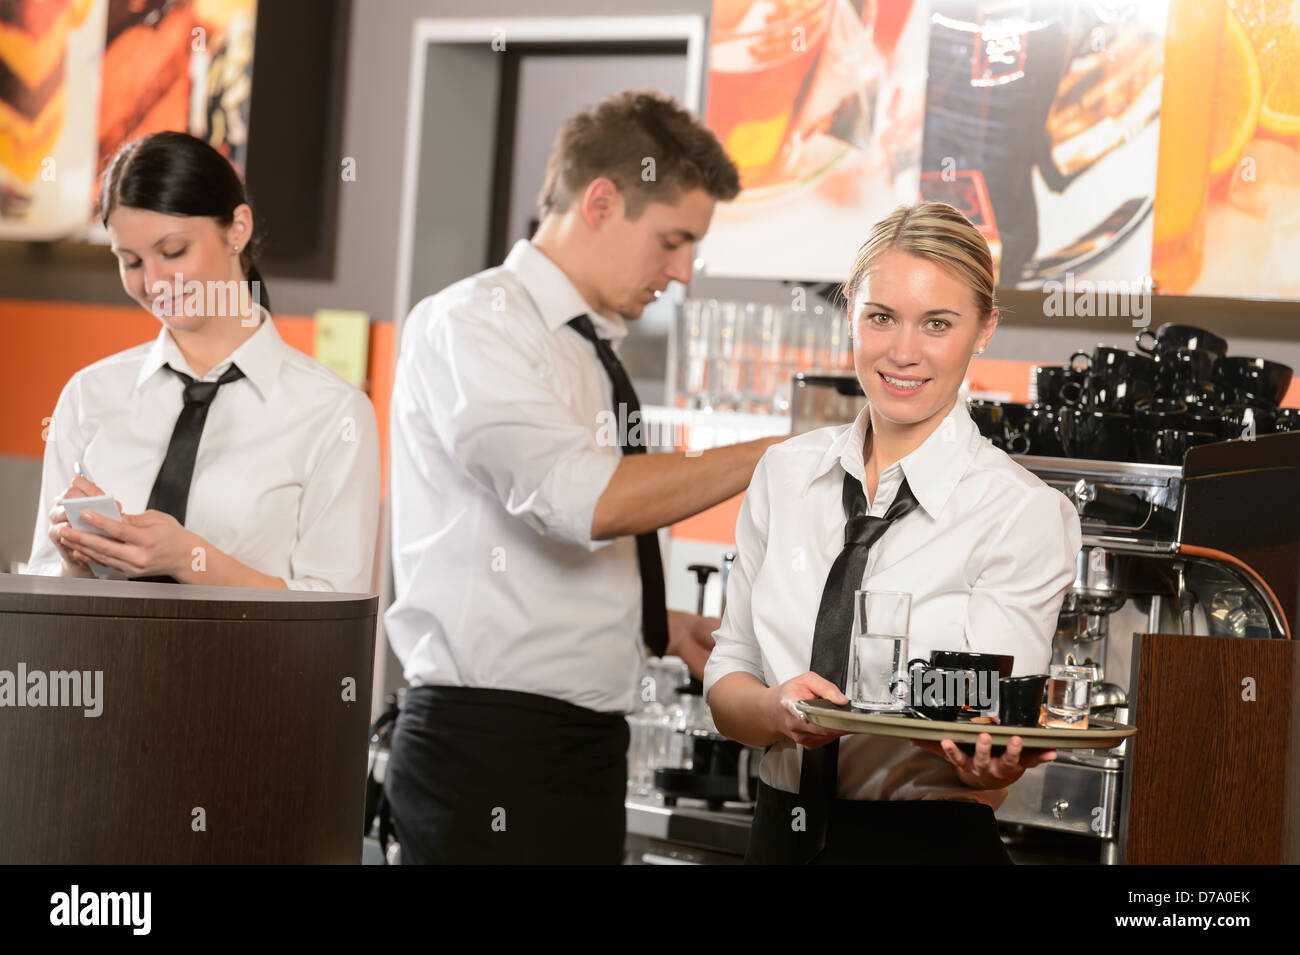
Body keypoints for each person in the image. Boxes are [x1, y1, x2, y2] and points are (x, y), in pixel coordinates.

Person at [383, 90, 784, 864]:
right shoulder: (473, 323)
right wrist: (775, 450)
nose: (685, 271)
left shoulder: (590, 347)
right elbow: (581, 501)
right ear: (601, 200)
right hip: (487, 750)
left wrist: (657, 625)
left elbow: (545, 557)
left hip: (582, 748)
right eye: (674, 240)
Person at [704, 201, 1083, 864]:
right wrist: (775, 711)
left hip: (923, 846)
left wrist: (991, 768)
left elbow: (990, 735)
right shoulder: (785, 474)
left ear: (984, 328)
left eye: (938, 323)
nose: (903, 352)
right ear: (851, 313)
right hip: (777, 835)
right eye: (881, 316)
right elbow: (728, 679)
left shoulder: (1021, 512)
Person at [26, 131, 380, 593]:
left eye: (173, 252)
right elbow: (39, 589)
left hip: (247, 668)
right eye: (129, 261)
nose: (153, 282)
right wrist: (75, 564)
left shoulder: (332, 414)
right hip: (104, 665)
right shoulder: (88, 395)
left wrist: (189, 559)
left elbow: (334, 612)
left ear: (238, 229)